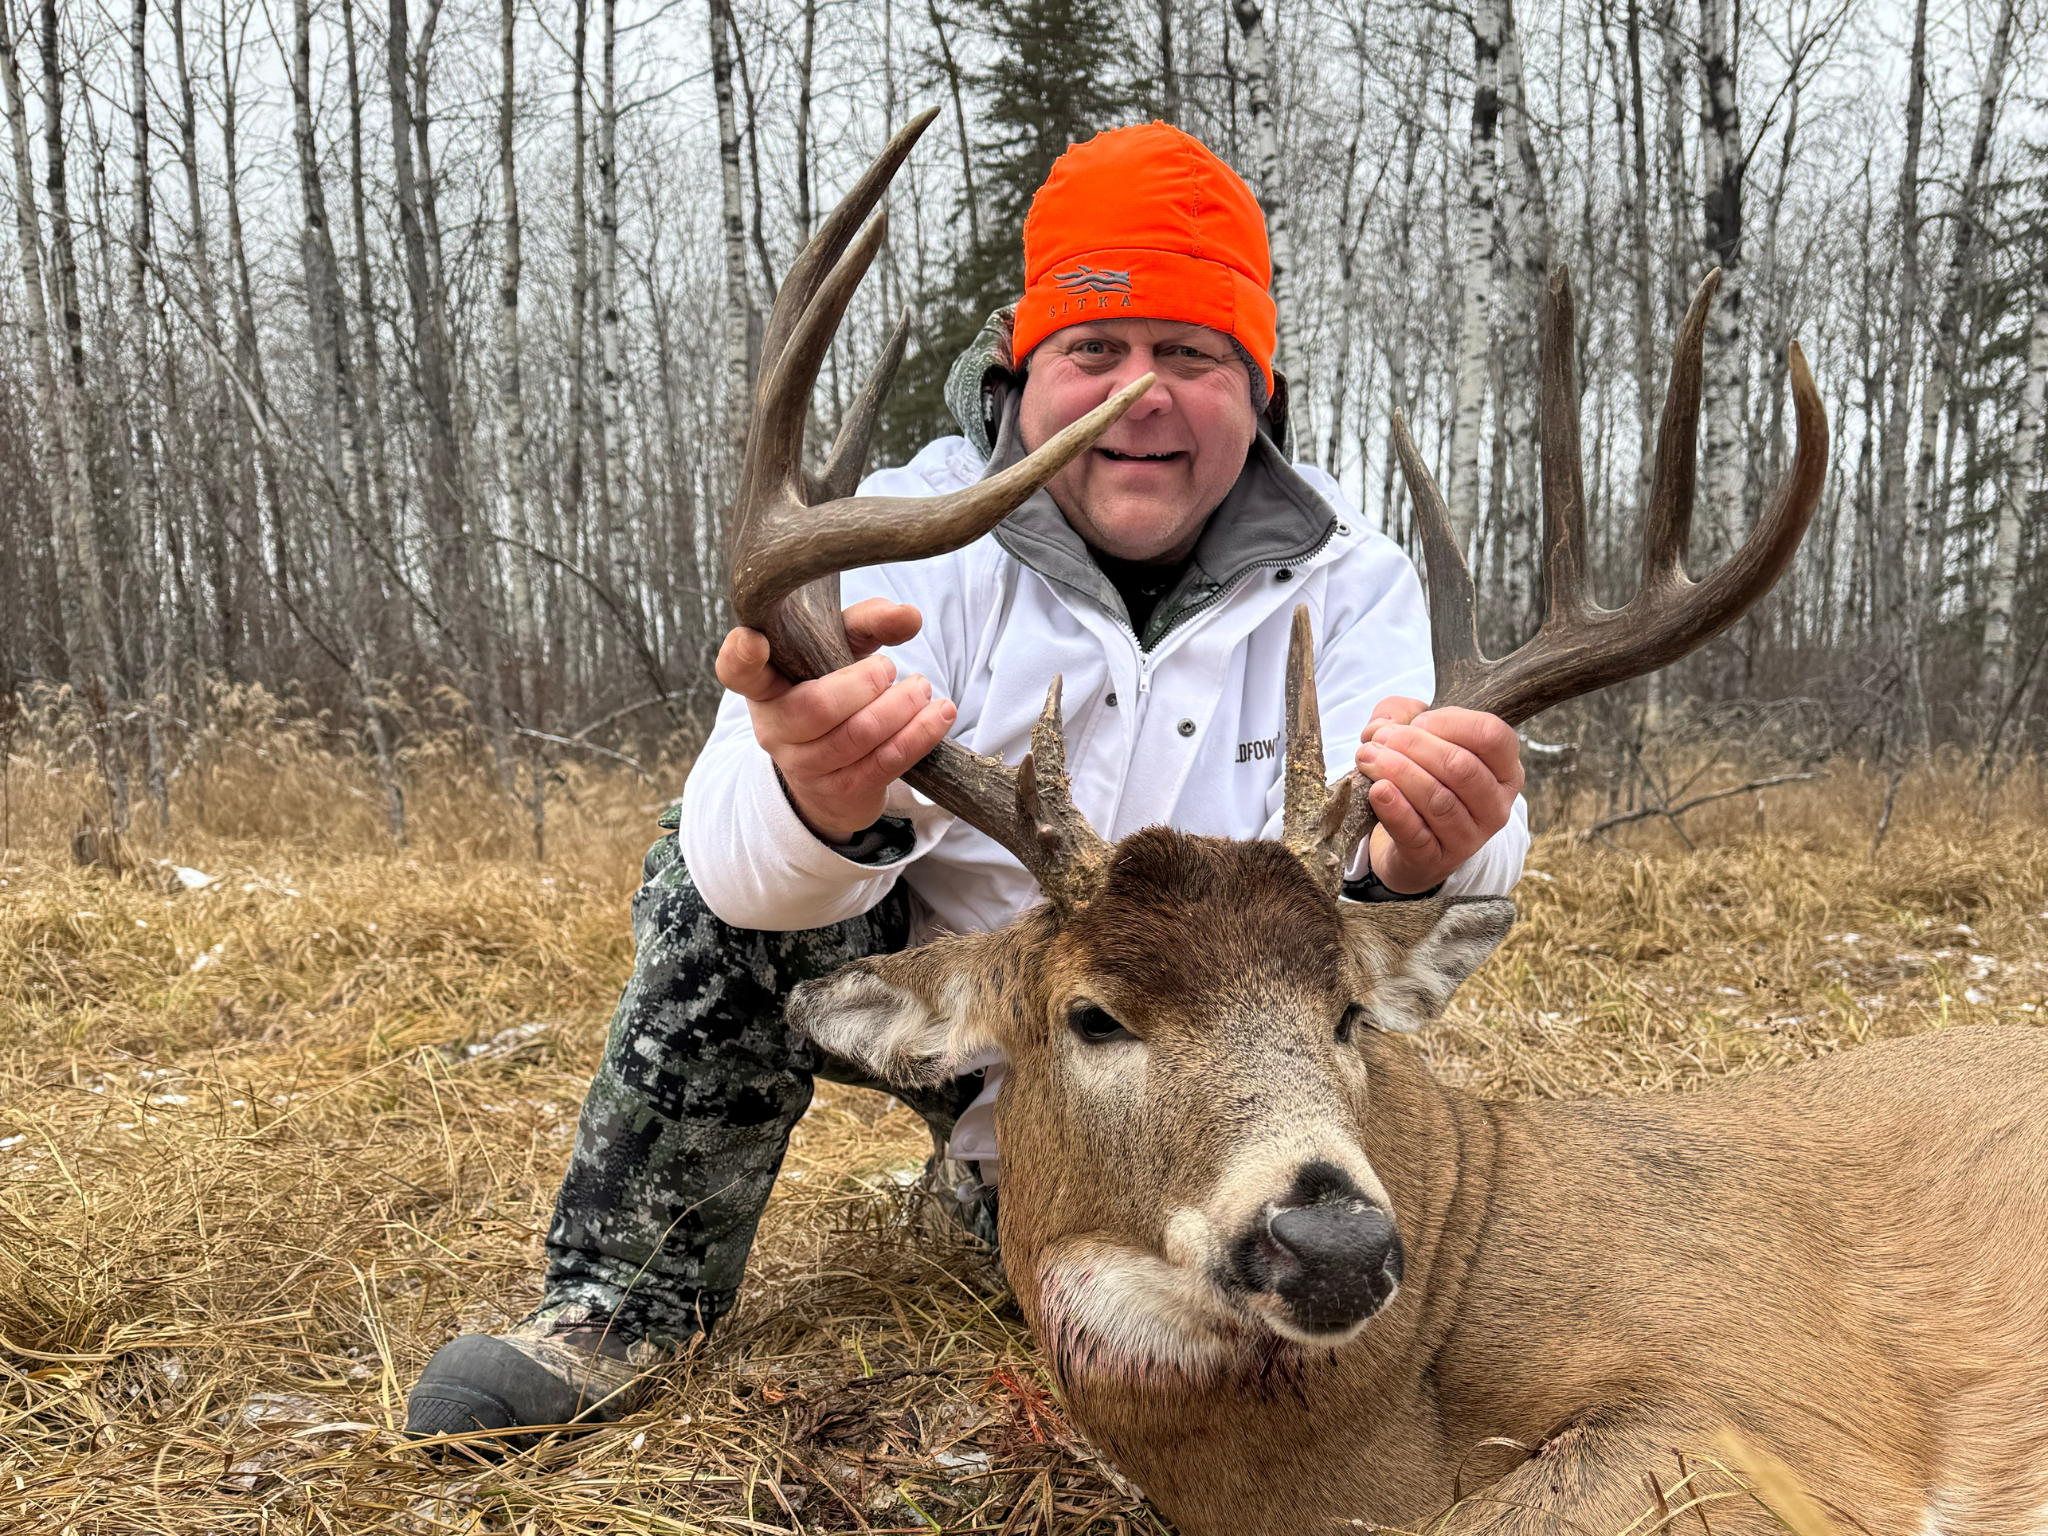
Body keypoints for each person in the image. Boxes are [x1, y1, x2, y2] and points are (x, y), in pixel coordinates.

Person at [403, 121, 1529, 1443]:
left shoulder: (1350, 579)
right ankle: (624, 1306)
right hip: (967, 989)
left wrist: (1435, 845)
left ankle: (1001, 1199)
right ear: (1018, 373)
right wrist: (816, 800)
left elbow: (1427, 867)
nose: (1141, 396)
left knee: (1310, 1005)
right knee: (718, 897)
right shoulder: (894, 544)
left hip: (1203, 1070)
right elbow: (728, 864)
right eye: (1094, 350)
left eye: (1192, 354)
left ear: (1259, 393)